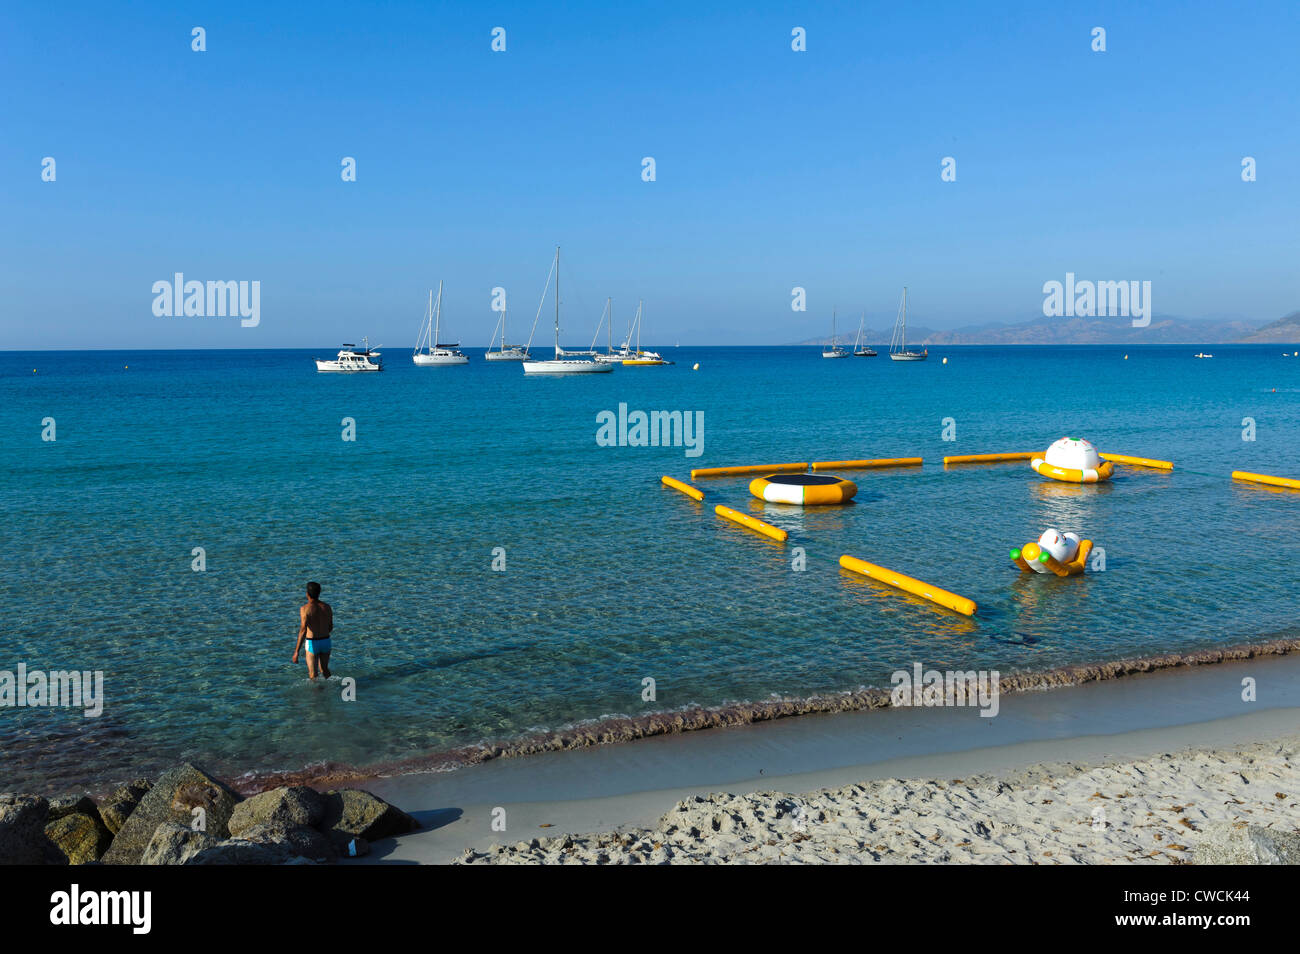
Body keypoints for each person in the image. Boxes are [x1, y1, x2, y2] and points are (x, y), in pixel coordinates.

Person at [292, 581, 333, 680]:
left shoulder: (305, 609)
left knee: (313, 675)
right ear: (319, 592)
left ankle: (318, 695)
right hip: (326, 641)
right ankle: (333, 689)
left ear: (307, 594)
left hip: (312, 643)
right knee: (325, 670)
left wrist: (296, 651)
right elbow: (330, 627)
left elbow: (303, 630)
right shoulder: (327, 607)